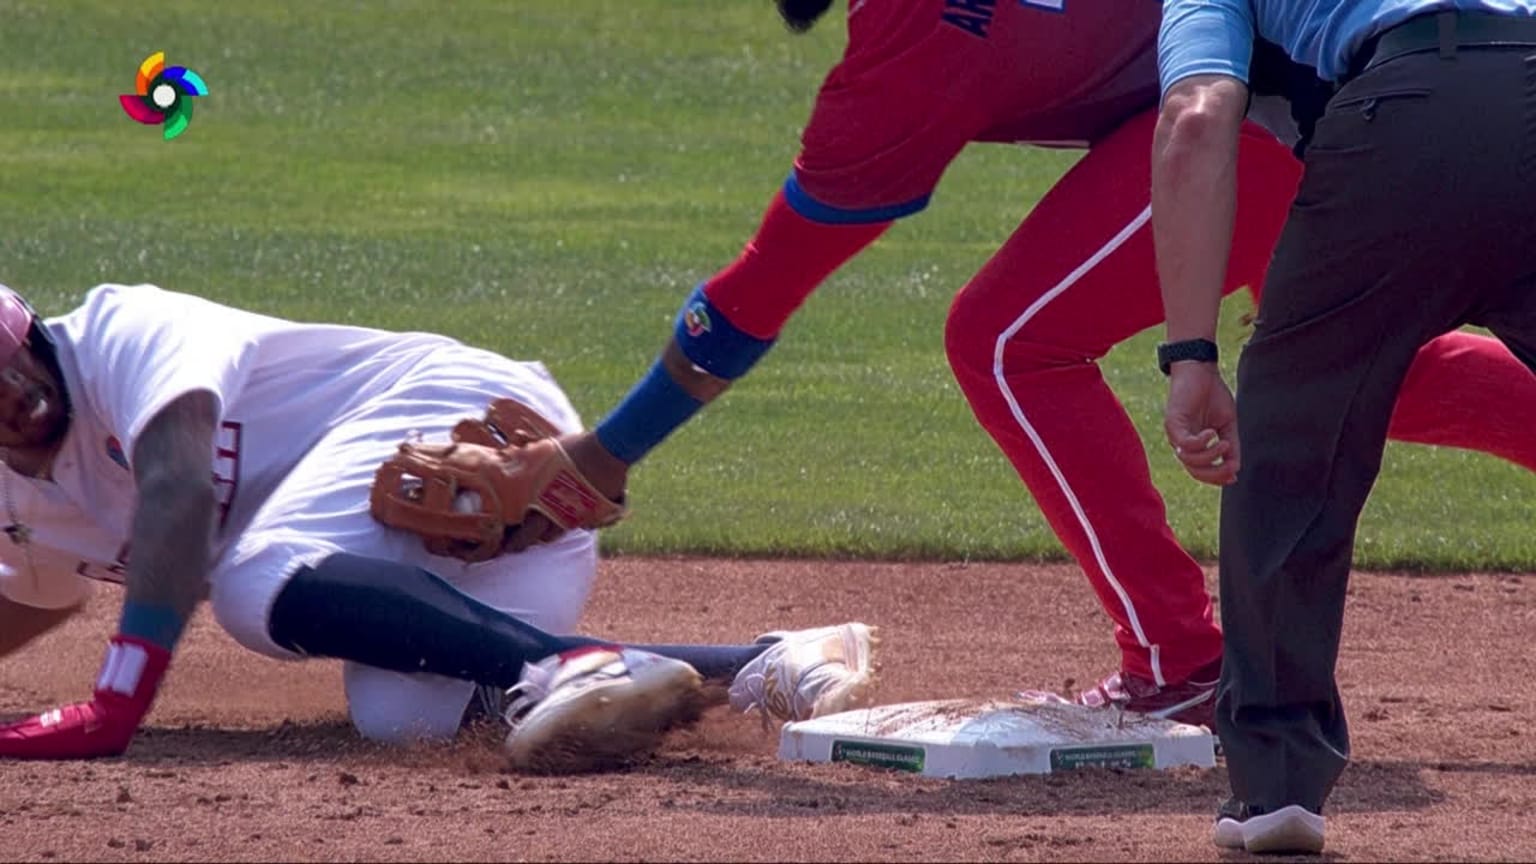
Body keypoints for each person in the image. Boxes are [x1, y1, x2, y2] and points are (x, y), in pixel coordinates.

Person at [507, 0, 1536, 727]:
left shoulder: (906, 58)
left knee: (1010, 345)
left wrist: (607, 451)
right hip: (1373, 75)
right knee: (1396, 377)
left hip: (1258, 108)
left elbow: (763, 289)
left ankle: (1178, 660)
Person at [0, 281, 877, 773]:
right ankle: (765, 664)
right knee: (405, 713)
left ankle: (558, 659)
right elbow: (31, 601)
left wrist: (120, 698)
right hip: (424, 543)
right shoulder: (18, 505)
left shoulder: (124, 329)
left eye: (5, 364)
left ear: (24, 329)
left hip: (464, 433)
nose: (11, 398)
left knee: (252, 581)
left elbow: (179, 490)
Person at [1155, 0, 1536, 854]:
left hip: (1405, 117)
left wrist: (1189, 356)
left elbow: (1196, 115)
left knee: (1289, 438)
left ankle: (1278, 782)